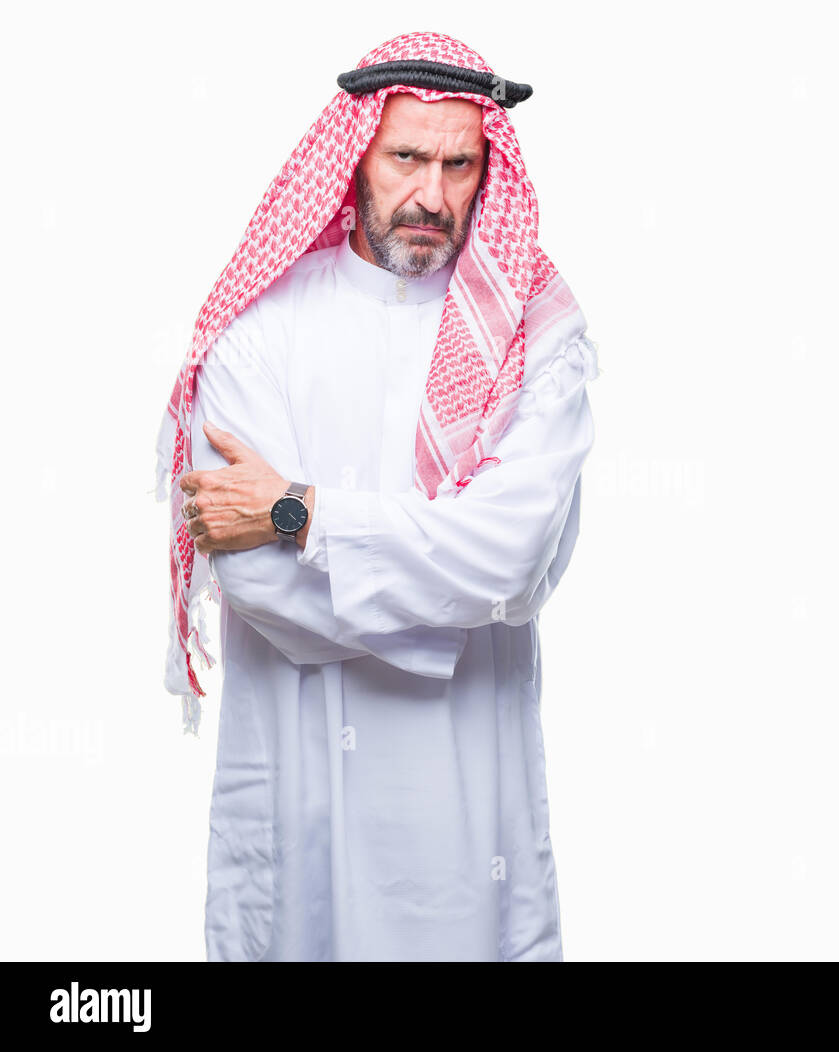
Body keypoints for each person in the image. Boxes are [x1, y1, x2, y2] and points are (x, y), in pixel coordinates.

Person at [151, 31, 598, 962]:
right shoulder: (257, 332)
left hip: (472, 824)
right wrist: (452, 591)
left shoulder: (536, 340)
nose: (431, 194)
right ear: (355, 153)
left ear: (489, 171)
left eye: (460, 164)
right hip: (298, 802)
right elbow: (264, 593)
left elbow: (510, 561)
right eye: (406, 157)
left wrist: (298, 513)